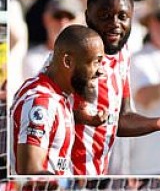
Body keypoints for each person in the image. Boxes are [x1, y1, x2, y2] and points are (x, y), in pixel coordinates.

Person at [75, 0, 160, 176]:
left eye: (122, 16)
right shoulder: (73, 53)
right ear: (87, 17)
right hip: (69, 168)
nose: (114, 23)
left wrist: (159, 123)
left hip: (105, 167)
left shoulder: (122, 54)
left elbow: (122, 117)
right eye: (105, 15)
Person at [11, 25, 104, 175]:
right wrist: (65, 185)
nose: (100, 71)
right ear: (67, 62)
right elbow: (30, 171)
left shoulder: (57, 93)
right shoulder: (40, 102)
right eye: (95, 62)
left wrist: (79, 117)